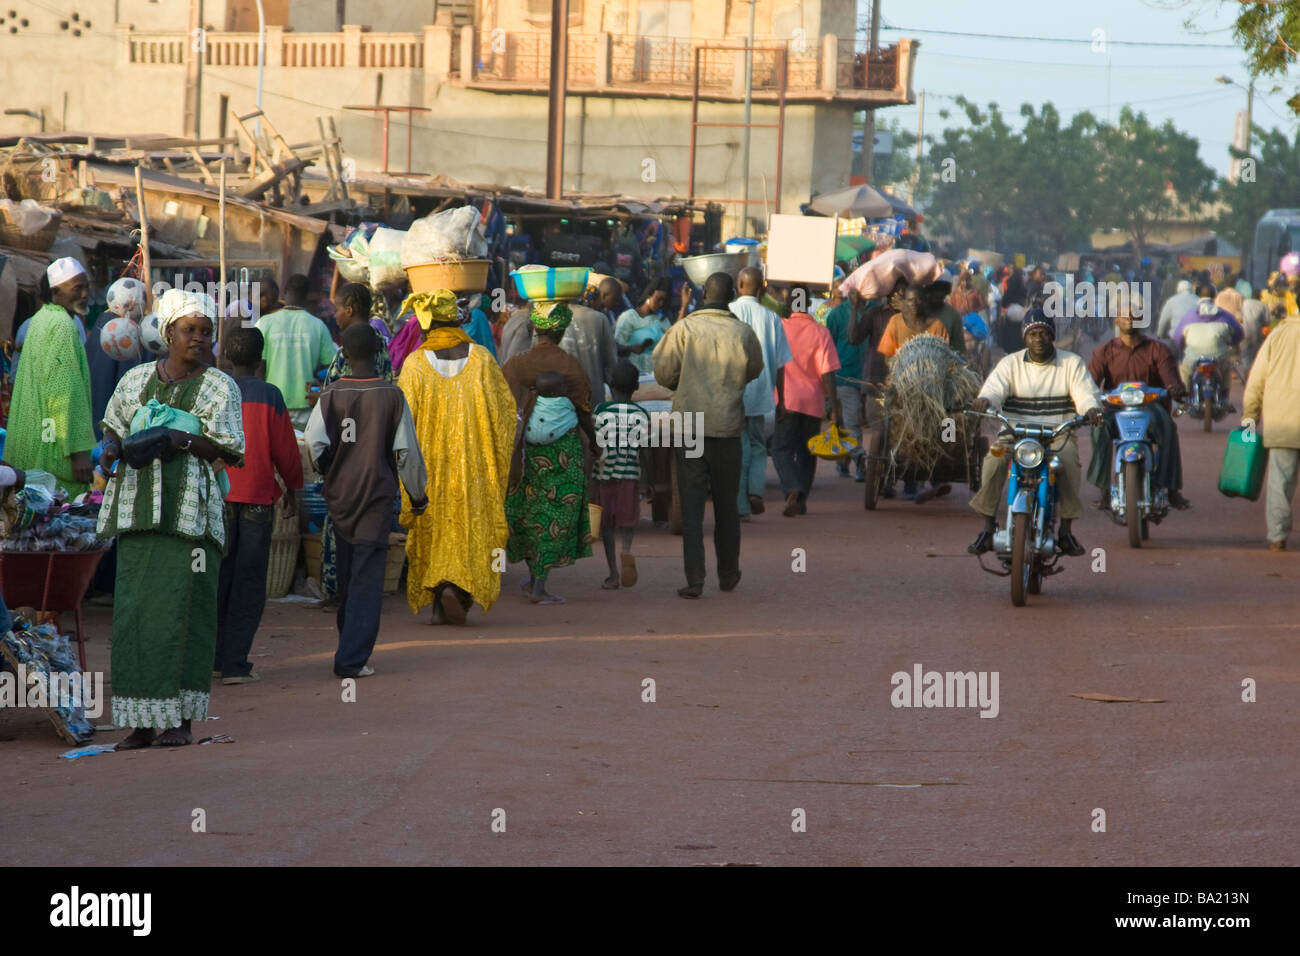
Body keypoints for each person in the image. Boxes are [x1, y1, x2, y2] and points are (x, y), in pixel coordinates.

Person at [97, 289, 245, 748]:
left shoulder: (221, 386)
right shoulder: (135, 380)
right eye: (189, 331)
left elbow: (229, 449)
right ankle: (141, 723)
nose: (199, 339)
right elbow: (113, 428)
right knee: (137, 613)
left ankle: (181, 722)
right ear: (169, 334)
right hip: (138, 513)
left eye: (206, 332)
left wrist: (177, 438)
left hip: (191, 518)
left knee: (188, 611)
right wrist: (109, 449)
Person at [305, 323, 428, 676]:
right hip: (376, 496)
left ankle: (350, 647)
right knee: (366, 578)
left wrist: (330, 470)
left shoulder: (330, 395)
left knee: (347, 575)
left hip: (341, 496)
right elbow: (406, 453)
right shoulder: (391, 396)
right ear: (380, 353)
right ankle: (351, 658)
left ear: (343, 354)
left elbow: (314, 444)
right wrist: (417, 496)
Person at [397, 289, 516, 624]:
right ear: (457, 320)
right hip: (475, 469)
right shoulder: (482, 360)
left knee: (432, 528)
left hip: (428, 470)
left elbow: (402, 424)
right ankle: (460, 593)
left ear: (426, 325)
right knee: (472, 527)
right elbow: (505, 416)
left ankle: (439, 596)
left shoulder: (415, 365)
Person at [653, 272, 763, 598]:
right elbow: (753, 370)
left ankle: (695, 578)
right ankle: (728, 574)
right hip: (727, 426)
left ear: (703, 294)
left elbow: (662, 372)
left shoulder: (684, 328)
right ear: (731, 296)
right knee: (727, 505)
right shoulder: (743, 332)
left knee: (691, 505)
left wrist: (682, 383)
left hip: (690, 425)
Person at [967, 310, 1104, 558]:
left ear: (1052, 336)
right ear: (1024, 338)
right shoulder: (1010, 363)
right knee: (993, 461)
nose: (1038, 339)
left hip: (1057, 435)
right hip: (1014, 433)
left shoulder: (1071, 363)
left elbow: (1085, 393)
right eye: (1033, 334)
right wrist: (986, 399)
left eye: (1044, 333)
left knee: (1068, 463)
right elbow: (995, 388)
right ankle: (987, 528)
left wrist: (1090, 408)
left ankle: (1065, 530)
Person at [216, 327, 304, 683]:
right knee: (249, 582)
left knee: (218, 577)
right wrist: (294, 490)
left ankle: (214, 657)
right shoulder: (270, 395)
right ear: (262, 362)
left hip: (219, 497)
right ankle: (235, 664)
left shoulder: (216, 390)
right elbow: (286, 452)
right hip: (257, 500)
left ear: (226, 360)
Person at [503, 303, 596, 606]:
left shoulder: (516, 364)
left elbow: (502, 404)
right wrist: (595, 444)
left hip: (522, 451)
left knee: (529, 512)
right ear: (561, 330)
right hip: (562, 454)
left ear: (537, 329)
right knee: (555, 513)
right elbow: (584, 411)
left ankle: (533, 578)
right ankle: (540, 585)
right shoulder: (571, 366)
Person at [1085, 297, 1190, 511]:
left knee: (1169, 428)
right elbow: (1090, 383)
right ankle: (1104, 490)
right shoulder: (1103, 352)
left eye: (1134, 315)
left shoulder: (1158, 350)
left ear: (1141, 320)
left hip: (1149, 408)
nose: (1130, 319)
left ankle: (1170, 489)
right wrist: (1087, 400)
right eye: (1125, 315)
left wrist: (1175, 389)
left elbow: (1170, 378)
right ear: (1116, 320)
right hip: (1115, 409)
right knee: (1098, 429)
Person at [7, 257, 96, 494]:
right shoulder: (63, 326)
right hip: (56, 444)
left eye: (87, 287)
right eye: (77, 288)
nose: (85, 294)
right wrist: (78, 452)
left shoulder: (40, 319)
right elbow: (64, 390)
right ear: (55, 291)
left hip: (37, 435)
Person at [774, 283, 842, 516]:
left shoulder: (780, 328)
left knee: (781, 448)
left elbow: (776, 367)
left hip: (786, 399)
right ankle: (800, 498)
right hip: (812, 402)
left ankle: (791, 488)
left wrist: (777, 399)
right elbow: (828, 374)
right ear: (809, 302)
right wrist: (835, 407)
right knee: (807, 451)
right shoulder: (821, 332)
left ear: (790, 303)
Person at [729, 266, 793, 511]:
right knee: (756, 445)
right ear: (761, 289)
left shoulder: (729, 312)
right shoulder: (772, 317)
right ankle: (755, 490)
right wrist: (782, 401)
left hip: (733, 394)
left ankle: (741, 505)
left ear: (739, 285)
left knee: (738, 447)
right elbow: (780, 364)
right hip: (761, 395)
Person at [1243, 307, 1300, 550]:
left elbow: (1256, 381)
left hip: (1281, 420)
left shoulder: (1277, 335)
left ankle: (1277, 537)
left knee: (1280, 481)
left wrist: (1250, 418)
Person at [594, 361, 651, 589]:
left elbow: (595, 446)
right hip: (629, 475)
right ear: (636, 386)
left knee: (606, 525)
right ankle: (626, 550)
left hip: (605, 475)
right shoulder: (641, 414)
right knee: (627, 521)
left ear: (610, 385)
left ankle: (613, 573)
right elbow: (645, 450)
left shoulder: (601, 411)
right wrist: (649, 480)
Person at [256, 273, 337, 427]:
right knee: (301, 449)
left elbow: (259, 367)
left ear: (284, 293)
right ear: (307, 296)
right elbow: (331, 367)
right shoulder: (318, 326)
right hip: (306, 403)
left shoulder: (264, 323)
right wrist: (314, 373)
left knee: (274, 449)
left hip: (272, 403)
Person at [1171, 283, 1244, 388]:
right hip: (1219, 357)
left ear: (1198, 295)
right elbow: (1239, 333)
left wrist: (1181, 350)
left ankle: (1184, 398)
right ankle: (1224, 397)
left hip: (1193, 358)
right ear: (1215, 296)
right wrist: (1230, 342)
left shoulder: (1189, 315)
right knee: (1226, 370)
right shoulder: (1225, 315)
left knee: (1184, 370)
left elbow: (1177, 339)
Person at [563, 293, 620, 405]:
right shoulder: (599, 318)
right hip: (594, 396)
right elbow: (611, 366)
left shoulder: (548, 320)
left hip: (563, 402)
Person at [615, 279, 671, 376]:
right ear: (649, 295)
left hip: (657, 374)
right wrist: (631, 348)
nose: (661, 304)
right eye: (658, 299)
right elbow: (617, 345)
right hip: (633, 373)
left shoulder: (662, 320)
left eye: (664, 301)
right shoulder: (628, 317)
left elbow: (672, 341)